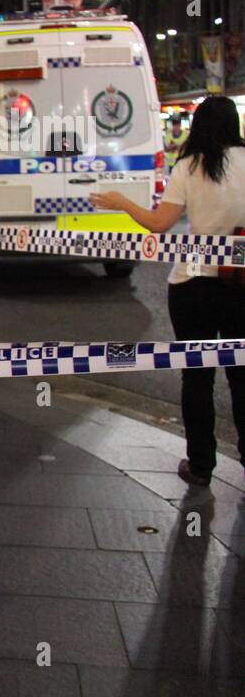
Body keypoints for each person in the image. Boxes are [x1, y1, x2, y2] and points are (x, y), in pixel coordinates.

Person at [89, 95, 245, 487]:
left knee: (197, 376)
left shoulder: (189, 167)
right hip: (242, 285)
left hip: (192, 285)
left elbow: (160, 224)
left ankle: (201, 465)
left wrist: (122, 202)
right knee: (243, 376)